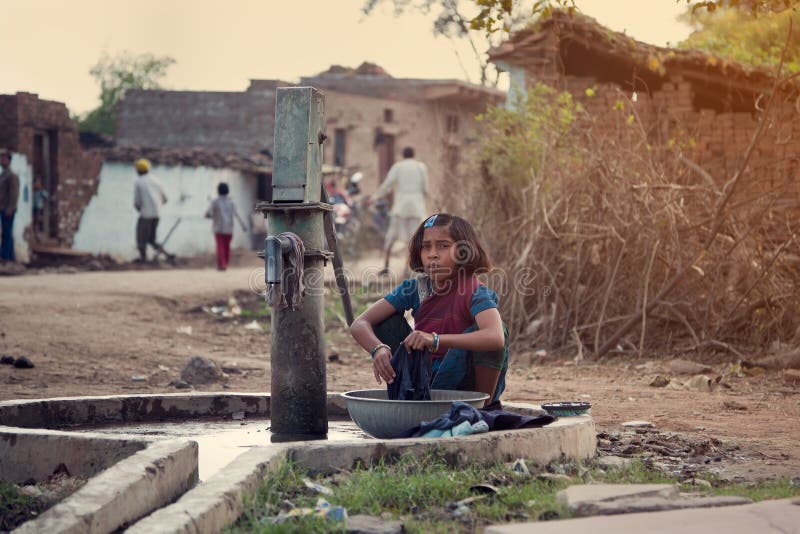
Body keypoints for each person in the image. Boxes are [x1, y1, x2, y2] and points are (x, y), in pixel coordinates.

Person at [349, 213, 508, 406]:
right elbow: (360, 324)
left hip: (462, 383)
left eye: (443, 246)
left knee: (496, 330)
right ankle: (409, 398)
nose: (432, 254)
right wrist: (378, 349)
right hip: (422, 380)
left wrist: (435, 340)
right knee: (384, 322)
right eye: (426, 247)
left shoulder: (474, 292)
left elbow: (496, 337)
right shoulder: (415, 288)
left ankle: (482, 407)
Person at [370, 146, 428, 275]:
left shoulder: (398, 167)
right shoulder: (421, 167)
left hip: (400, 207)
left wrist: (375, 197)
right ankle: (407, 269)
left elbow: (387, 185)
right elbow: (425, 189)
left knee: (390, 238)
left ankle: (386, 266)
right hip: (416, 208)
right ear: (413, 155)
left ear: (403, 155)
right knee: (413, 239)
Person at [133, 158, 168, 262]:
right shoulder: (157, 180)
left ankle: (143, 259)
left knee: (141, 239)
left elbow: (137, 203)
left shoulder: (139, 182)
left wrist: (141, 209)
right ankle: (166, 255)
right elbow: (165, 199)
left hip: (145, 215)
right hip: (157, 214)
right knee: (152, 240)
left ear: (139, 170)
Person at [205, 182, 247, 271]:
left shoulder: (215, 202)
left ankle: (222, 264)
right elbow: (237, 214)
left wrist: (209, 215)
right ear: (227, 191)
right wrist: (243, 225)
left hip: (218, 228)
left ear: (218, 191)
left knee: (220, 247)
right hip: (229, 228)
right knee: (227, 247)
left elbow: (208, 214)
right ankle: (225, 264)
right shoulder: (231, 202)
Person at [0, 149, 20, 262]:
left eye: (3, 158)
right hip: (2, 208)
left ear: (9, 160)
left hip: (8, 210)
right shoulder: (3, 174)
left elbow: (14, 194)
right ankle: (10, 256)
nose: (1, 160)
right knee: (7, 232)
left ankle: (5, 256)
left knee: (7, 233)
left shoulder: (11, 176)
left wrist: (10, 209)